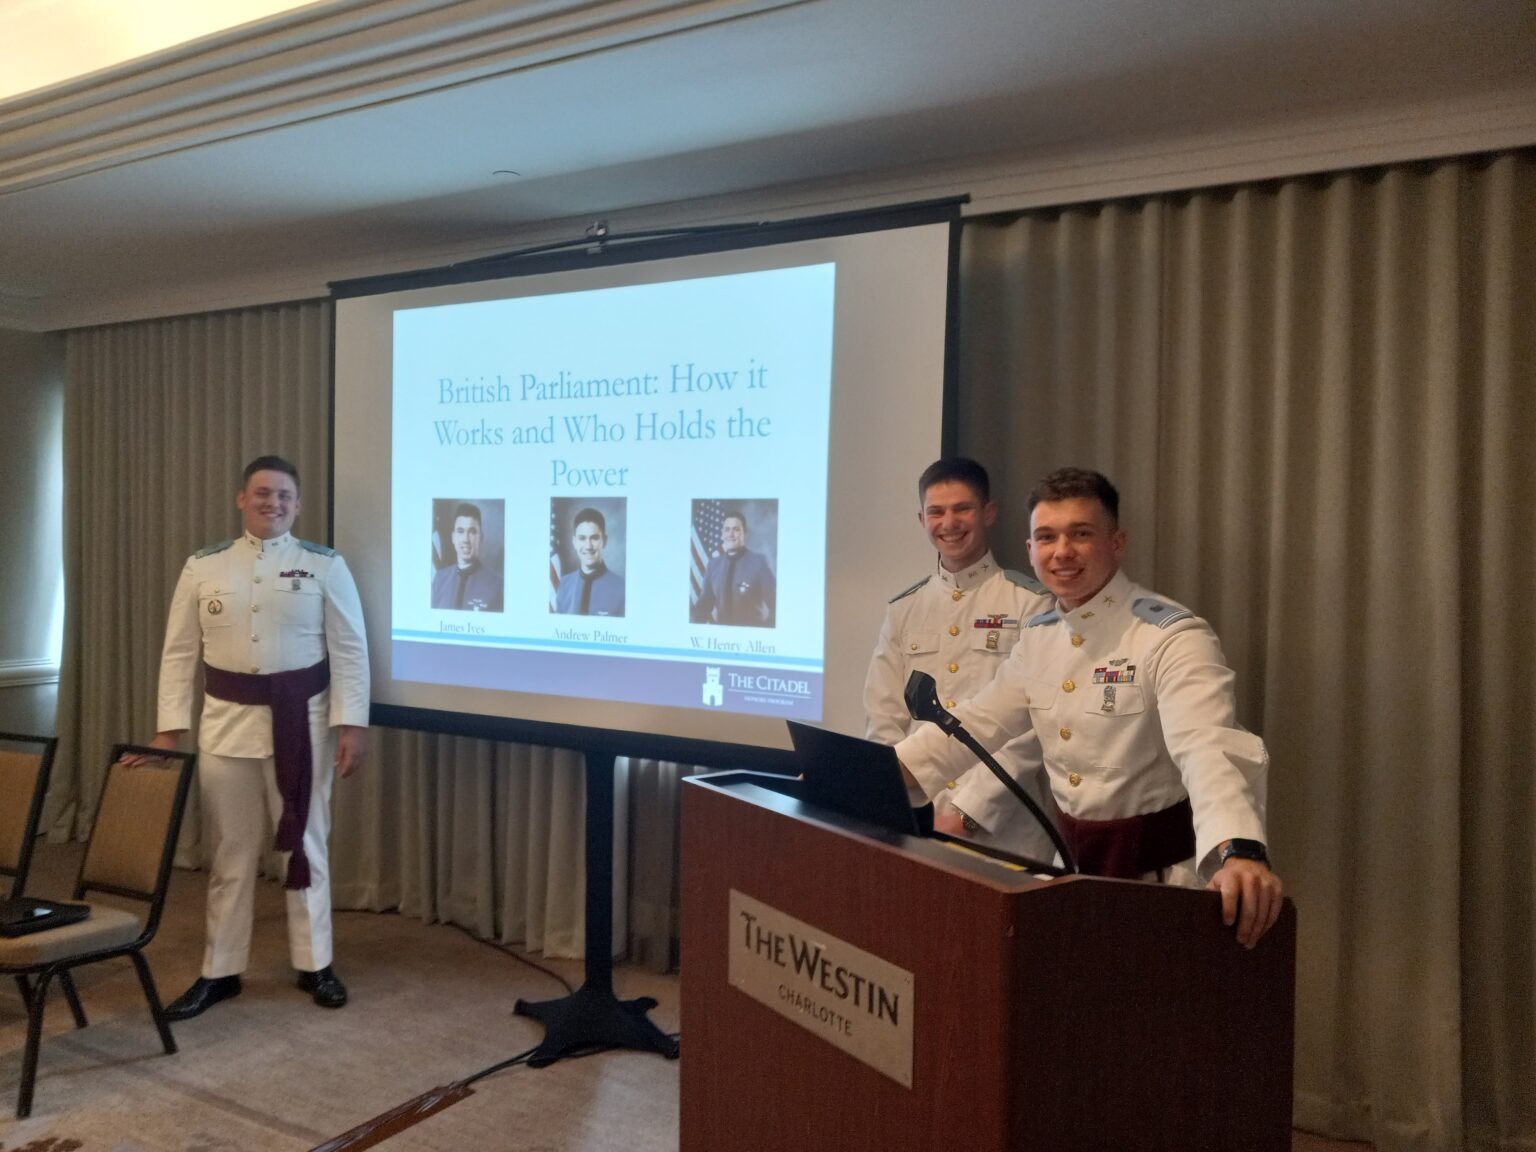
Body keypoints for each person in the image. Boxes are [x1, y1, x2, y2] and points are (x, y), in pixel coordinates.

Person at [896, 467, 1284, 947]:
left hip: (1162, 886)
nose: (1062, 552)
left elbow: (1207, 747)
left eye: (1081, 534)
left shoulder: (1170, 636)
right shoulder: (1038, 639)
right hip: (1075, 877)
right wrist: (877, 774)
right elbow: (976, 721)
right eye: (1047, 537)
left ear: (1117, 542)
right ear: (1030, 550)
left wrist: (1238, 849)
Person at [147, 455, 369, 1019]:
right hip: (226, 726)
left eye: (285, 497)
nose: (273, 503)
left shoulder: (324, 565)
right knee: (232, 852)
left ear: (297, 505)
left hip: (306, 723)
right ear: (242, 499)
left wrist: (352, 725)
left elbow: (349, 649)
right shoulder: (204, 566)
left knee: (307, 843)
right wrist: (169, 730)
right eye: (263, 493)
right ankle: (220, 971)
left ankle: (315, 964)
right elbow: (178, 653)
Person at [863, 458, 1060, 863]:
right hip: (916, 818)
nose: (949, 522)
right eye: (936, 511)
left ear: (988, 512)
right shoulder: (904, 608)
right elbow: (884, 718)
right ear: (922, 518)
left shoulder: (1032, 602)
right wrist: (886, 799)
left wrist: (968, 813)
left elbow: (1031, 728)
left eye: (962, 509)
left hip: (1004, 831)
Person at [692, 509, 776, 627]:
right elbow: (704, 605)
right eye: (727, 529)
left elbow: (777, 604)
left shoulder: (759, 562)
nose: (731, 534)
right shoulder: (713, 565)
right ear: (722, 534)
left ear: (744, 533)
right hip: (722, 638)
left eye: (736, 529)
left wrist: (765, 633)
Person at [431, 502, 503, 611]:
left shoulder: (498, 585)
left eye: (472, 532)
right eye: (460, 531)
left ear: (481, 538)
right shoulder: (439, 580)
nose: (465, 539)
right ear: (453, 537)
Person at [554, 507, 625, 616]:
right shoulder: (563, 585)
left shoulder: (622, 588)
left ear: (604, 541)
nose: (588, 546)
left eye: (594, 538)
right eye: (582, 538)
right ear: (574, 542)